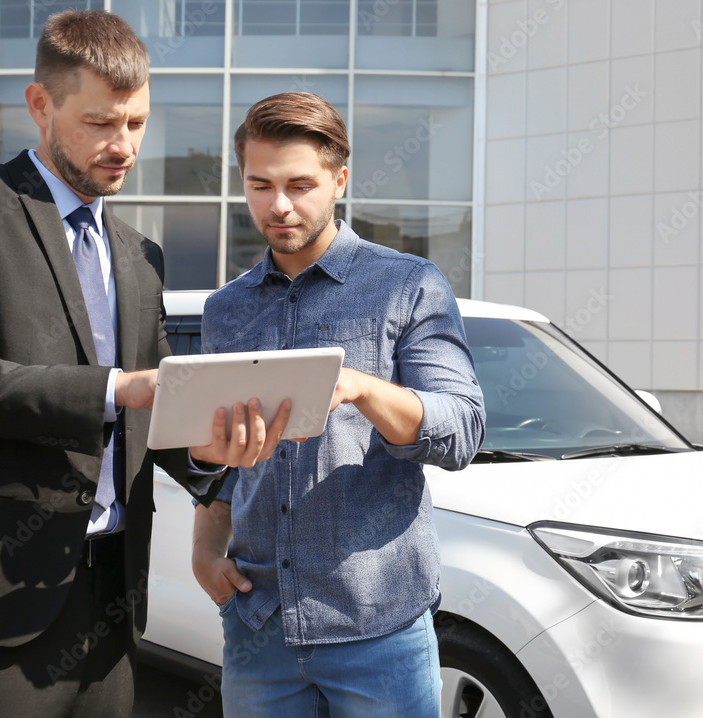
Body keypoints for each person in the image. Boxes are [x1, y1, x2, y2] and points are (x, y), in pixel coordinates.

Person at [0, 10, 286, 717]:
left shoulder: (139, 254)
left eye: (136, 123)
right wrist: (118, 388)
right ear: (40, 105)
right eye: (101, 123)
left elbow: (155, 410)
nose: (123, 146)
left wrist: (214, 454)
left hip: (111, 607)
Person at [191, 92, 486, 718]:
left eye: (300, 184)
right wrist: (203, 550)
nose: (279, 205)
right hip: (259, 625)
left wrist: (362, 388)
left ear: (340, 180)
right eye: (260, 184)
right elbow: (219, 460)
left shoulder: (409, 285)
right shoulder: (226, 310)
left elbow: (461, 429)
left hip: (379, 628)